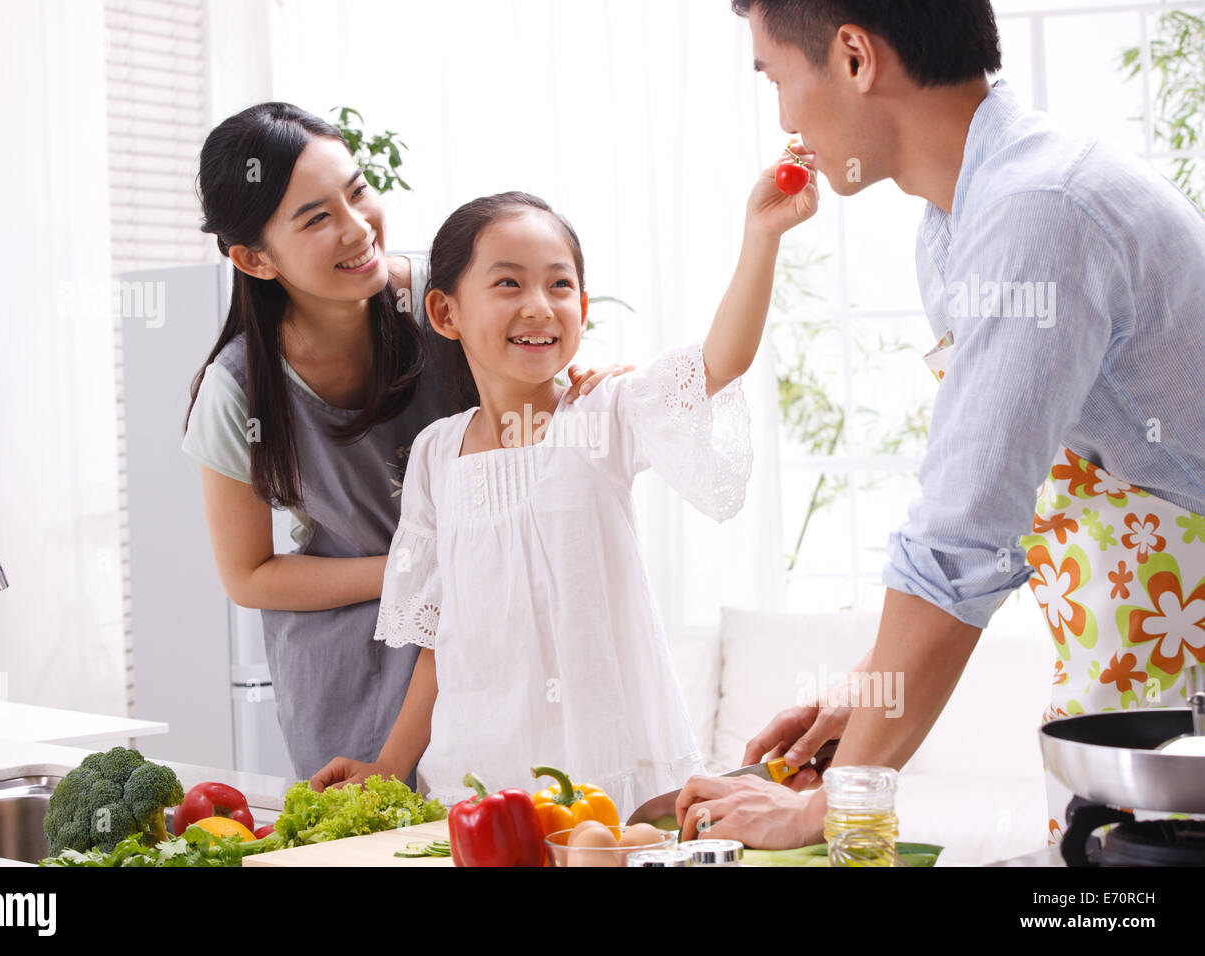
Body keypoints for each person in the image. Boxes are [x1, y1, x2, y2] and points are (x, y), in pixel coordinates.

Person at [676, 0, 1205, 849]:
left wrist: (830, 805)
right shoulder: (957, 221)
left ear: (854, 58)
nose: (780, 117)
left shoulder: (1039, 213)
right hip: (1145, 661)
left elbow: (963, 540)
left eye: (775, 78)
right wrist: (868, 692)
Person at [309, 171, 819, 811]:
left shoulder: (605, 412)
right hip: (477, 778)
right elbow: (441, 636)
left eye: (560, 284)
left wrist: (762, 235)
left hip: (610, 769)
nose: (540, 306)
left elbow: (721, 360)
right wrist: (388, 764)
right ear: (445, 312)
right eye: (508, 283)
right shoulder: (436, 453)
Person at [181, 102, 627, 781]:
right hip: (346, 667)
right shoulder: (235, 390)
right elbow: (249, 575)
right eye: (317, 217)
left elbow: (541, 396)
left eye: (356, 192)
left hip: (484, 639)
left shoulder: (441, 301)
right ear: (254, 258)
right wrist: (422, 568)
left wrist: (594, 384)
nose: (358, 228)